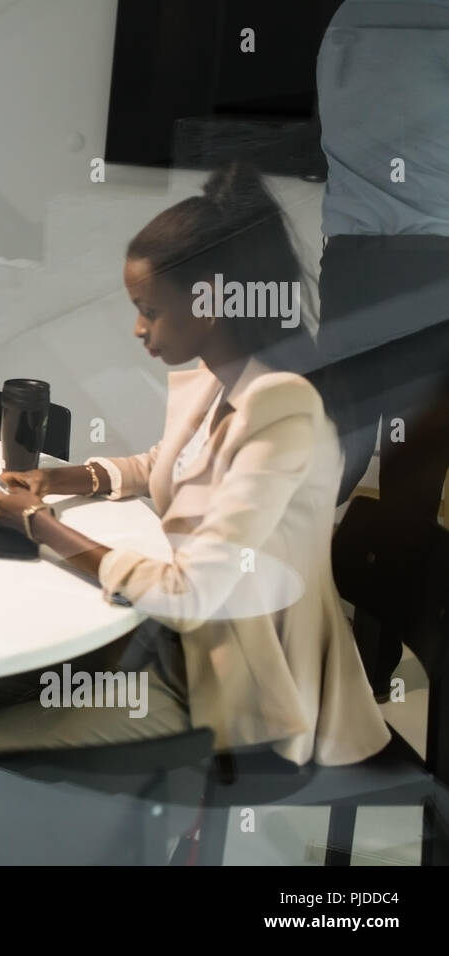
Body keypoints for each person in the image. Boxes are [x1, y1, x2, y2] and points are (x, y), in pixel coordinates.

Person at [0, 162, 390, 767]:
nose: (137, 328)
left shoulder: (284, 411)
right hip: (174, 647)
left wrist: (39, 524)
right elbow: (168, 463)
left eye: (149, 310)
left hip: (233, 692)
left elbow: (193, 592)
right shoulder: (220, 382)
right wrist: (63, 478)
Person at [314, 0, 449, 695]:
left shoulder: (347, 24)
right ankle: (370, 670)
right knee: (409, 481)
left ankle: (248, 623)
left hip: (356, 261)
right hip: (437, 261)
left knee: (330, 451)